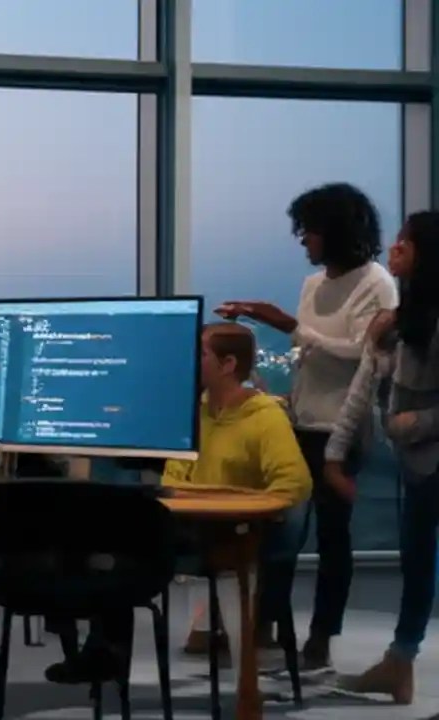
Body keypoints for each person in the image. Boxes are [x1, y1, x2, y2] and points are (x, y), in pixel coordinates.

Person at [44, 323, 313, 684]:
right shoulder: (194, 413)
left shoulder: (265, 416)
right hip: (190, 528)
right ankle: (103, 650)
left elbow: (293, 484)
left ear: (227, 364)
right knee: (107, 547)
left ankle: (103, 649)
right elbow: (174, 478)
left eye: (200, 353)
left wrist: (230, 503)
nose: (188, 360)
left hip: (236, 535)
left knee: (121, 551)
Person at [216, 182, 397, 670]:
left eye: (309, 231)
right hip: (302, 418)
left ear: (334, 231)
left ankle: (321, 634)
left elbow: (363, 354)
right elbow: (313, 353)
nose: (303, 241)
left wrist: (288, 326)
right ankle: (269, 623)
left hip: (345, 425)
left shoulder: (376, 283)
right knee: (284, 525)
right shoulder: (314, 283)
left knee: (333, 534)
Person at [338, 211, 439, 705]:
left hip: (427, 456)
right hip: (418, 465)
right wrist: (378, 346)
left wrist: (410, 426)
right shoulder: (408, 318)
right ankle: (399, 663)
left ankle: (400, 661)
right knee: (417, 562)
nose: (394, 249)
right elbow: (383, 389)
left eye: (405, 241)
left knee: (420, 561)